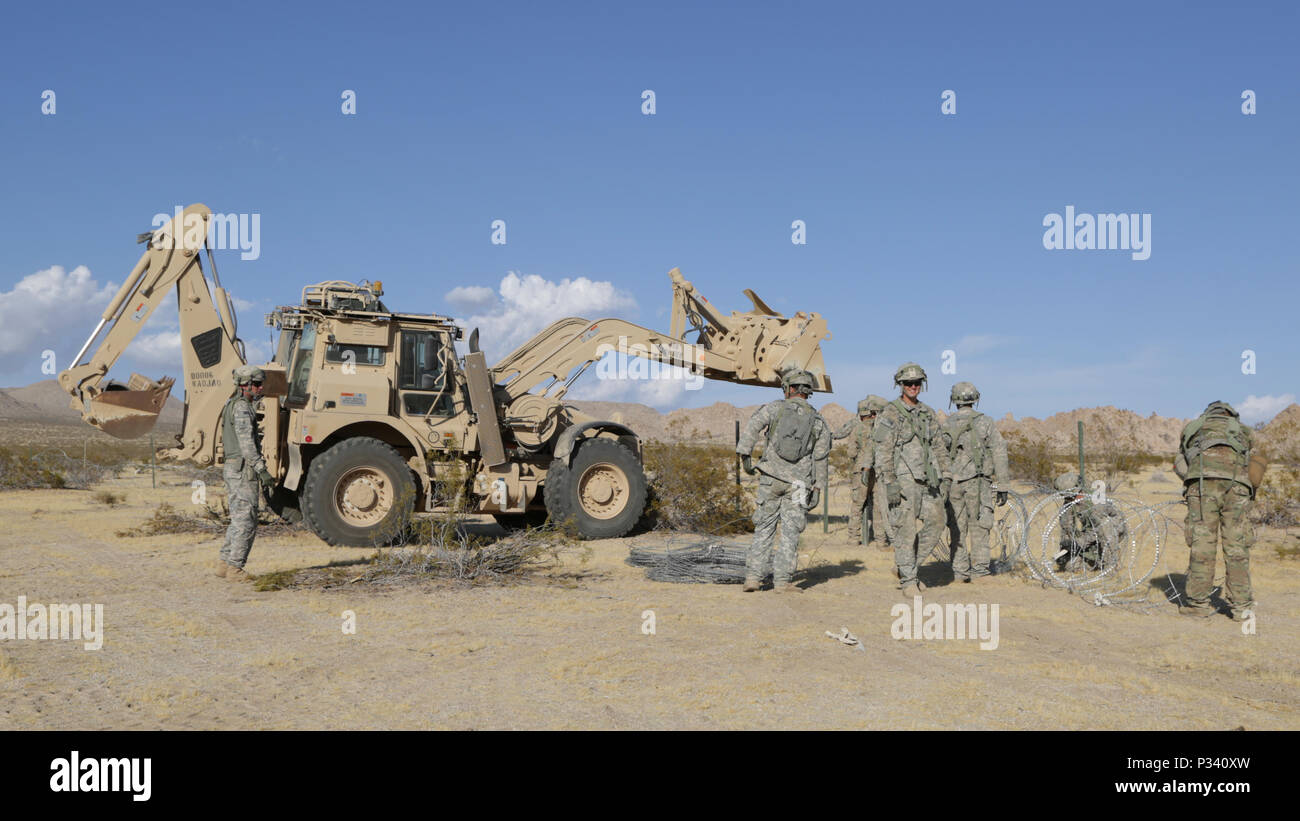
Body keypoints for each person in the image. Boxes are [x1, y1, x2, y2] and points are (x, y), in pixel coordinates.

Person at [736, 369, 831, 593]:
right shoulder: (818, 421)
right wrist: (818, 487)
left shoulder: (774, 408)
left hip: (770, 478)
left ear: (788, 388)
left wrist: (745, 455)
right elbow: (821, 457)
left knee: (764, 527)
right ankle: (782, 582)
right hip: (798, 485)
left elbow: (753, 426)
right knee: (791, 532)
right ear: (808, 391)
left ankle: (752, 578)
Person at [1174, 401, 1260, 620]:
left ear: (1208, 414)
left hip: (1202, 485)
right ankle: (1242, 608)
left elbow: (1179, 461)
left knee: (1202, 544)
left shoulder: (1193, 427)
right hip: (1237, 487)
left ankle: (1198, 604)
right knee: (1237, 546)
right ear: (1231, 415)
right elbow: (1257, 462)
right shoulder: (1244, 430)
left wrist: (1191, 479)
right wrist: (1250, 490)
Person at [871, 362, 951, 595]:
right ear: (900, 385)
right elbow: (882, 451)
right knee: (905, 531)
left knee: (937, 522)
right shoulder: (890, 413)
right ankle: (908, 581)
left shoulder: (927, 413)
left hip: (929, 479)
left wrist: (946, 475)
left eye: (917, 383)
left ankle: (907, 567)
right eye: (908, 383)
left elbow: (939, 447)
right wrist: (890, 482)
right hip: (903, 479)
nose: (913, 387)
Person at [941, 382, 1010, 582]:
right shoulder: (985, 422)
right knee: (980, 527)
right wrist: (1003, 484)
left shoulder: (946, 424)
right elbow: (999, 451)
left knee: (957, 528)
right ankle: (979, 571)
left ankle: (960, 571)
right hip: (978, 484)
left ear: (954, 401)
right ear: (975, 399)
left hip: (953, 484)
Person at [214, 365, 274, 582]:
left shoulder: (234, 404)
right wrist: (262, 470)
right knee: (246, 520)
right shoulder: (241, 408)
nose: (260, 388)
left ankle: (224, 563)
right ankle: (235, 569)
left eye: (261, 384)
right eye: (256, 384)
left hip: (236, 469)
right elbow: (247, 444)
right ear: (244, 385)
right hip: (242, 471)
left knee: (238, 518)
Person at [832, 395, 886, 545]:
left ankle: (854, 538)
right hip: (877, 471)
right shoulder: (880, 428)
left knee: (857, 506)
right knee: (878, 506)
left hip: (861, 470)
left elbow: (851, 452)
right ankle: (881, 540)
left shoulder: (857, 429)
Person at [1052, 472, 1128, 573]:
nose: (1065, 499)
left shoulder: (1096, 503)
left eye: (1067, 496)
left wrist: (1080, 542)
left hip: (1111, 533)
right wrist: (1065, 551)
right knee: (1071, 566)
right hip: (1087, 541)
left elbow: (1098, 530)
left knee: (1105, 525)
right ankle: (1094, 562)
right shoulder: (1068, 506)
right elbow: (1066, 530)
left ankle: (1111, 565)